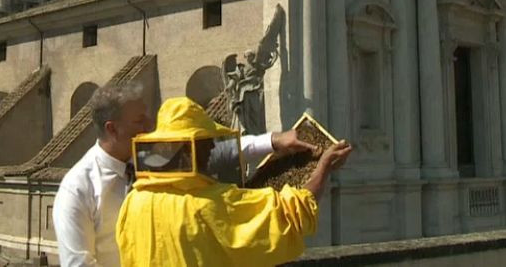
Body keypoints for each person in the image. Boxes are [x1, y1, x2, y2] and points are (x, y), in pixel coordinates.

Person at [53, 83, 315, 267]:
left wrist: (273, 141)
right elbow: (78, 264)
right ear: (113, 129)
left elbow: (214, 152)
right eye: (140, 121)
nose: (150, 127)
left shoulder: (156, 158)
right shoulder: (76, 189)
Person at [116, 97, 352, 267]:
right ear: (193, 148)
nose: (212, 150)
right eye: (209, 144)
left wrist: (272, 143)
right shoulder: (211, 206)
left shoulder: (132, 203)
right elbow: (292, 216)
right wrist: (323, 168)